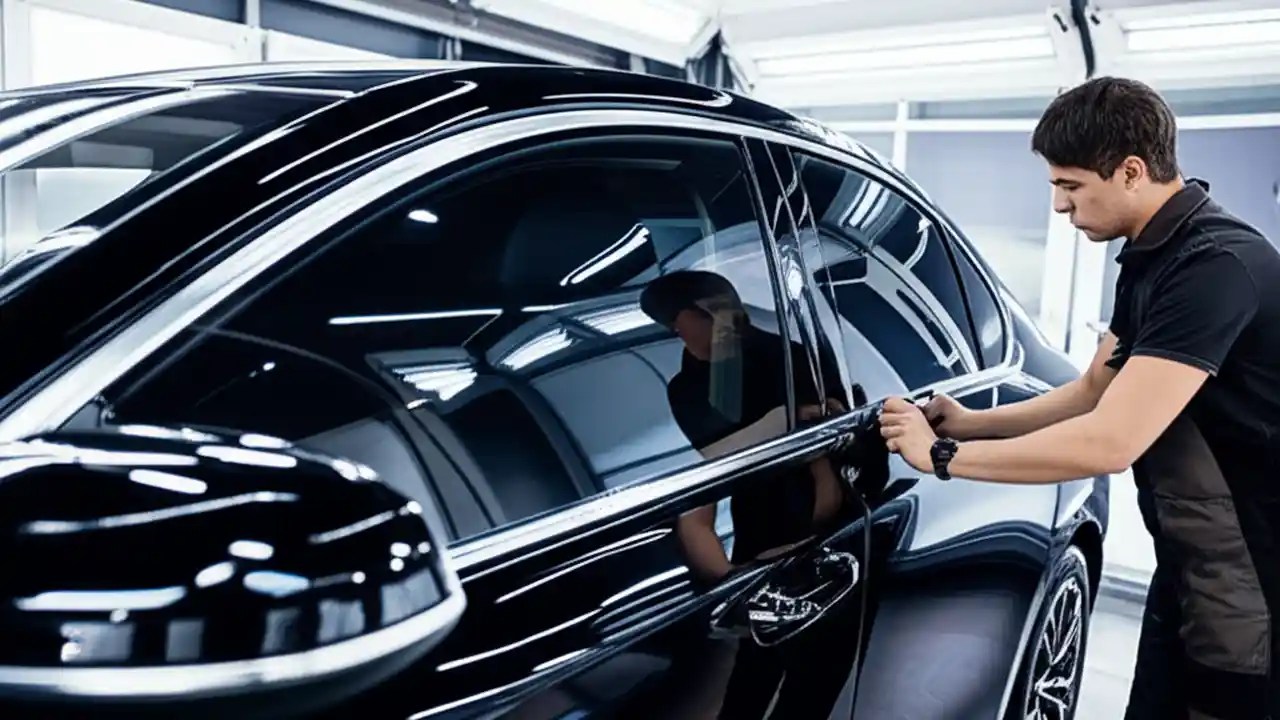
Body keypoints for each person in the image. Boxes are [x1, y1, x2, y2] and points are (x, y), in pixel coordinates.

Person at [879, 75, 1280, 719]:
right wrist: (973, 422)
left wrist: (944, 458)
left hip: (1253, 580)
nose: (1061, 207)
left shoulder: (1215, 268)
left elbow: (1109, 441)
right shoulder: (1153, 256)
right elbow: (1096, 390)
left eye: (1070, 187)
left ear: (1129, 172)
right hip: (1191, 569)